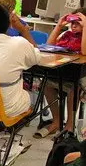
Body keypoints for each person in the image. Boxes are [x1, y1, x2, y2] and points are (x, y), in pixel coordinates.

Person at [36, 8, 86, 138]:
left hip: (81, 78)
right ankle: (57, 121)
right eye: (72, 23)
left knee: (73, 90)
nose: (73, 26)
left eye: (78, 23)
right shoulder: (67, 35)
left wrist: (85, 26)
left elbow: (84, 51)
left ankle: (69, 125)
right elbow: (48, 46)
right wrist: (58, 26)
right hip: (65, 72)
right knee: (46, 85)